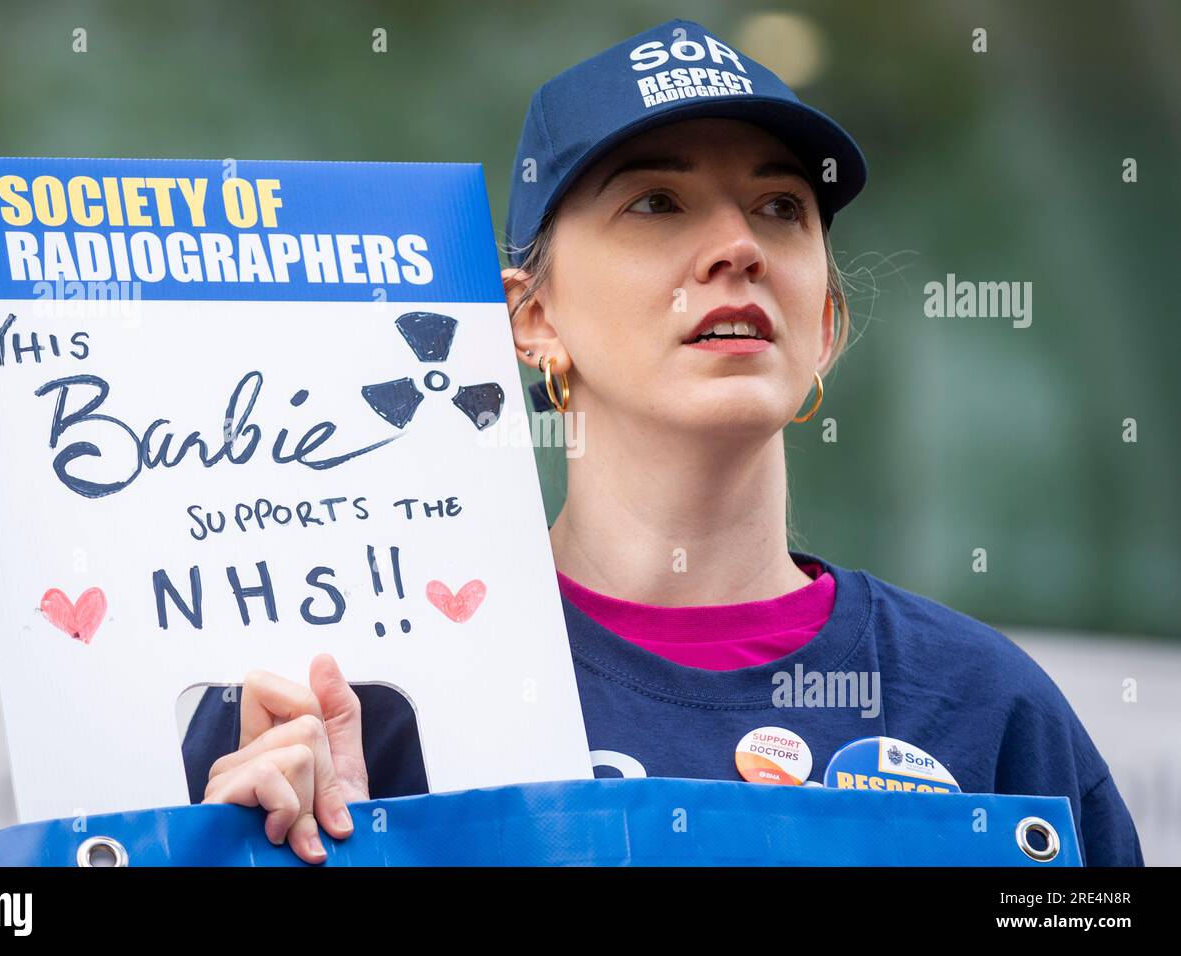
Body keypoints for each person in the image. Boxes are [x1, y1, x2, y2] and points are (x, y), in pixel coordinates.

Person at [181, 17, 1144, 866]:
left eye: (780, 207)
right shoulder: (355, 705)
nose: (740, 247)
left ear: (826, 326)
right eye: (656, 202)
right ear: (530, 319)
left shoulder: (988, 710)